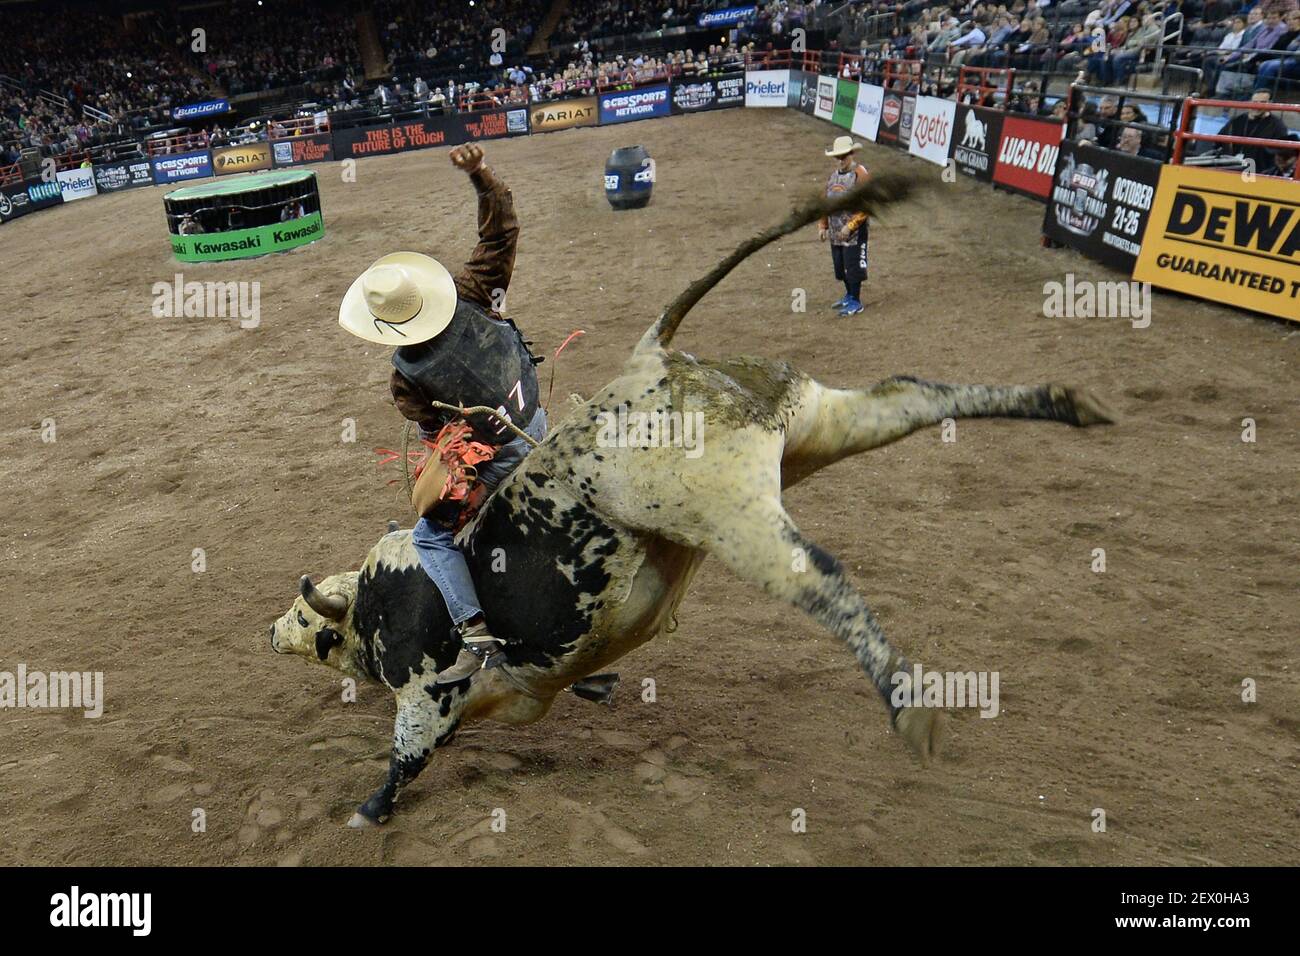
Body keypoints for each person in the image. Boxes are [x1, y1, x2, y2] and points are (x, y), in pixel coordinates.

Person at [338, 143, 545, 682]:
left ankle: (475, 634)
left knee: (431, 537)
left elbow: (445, 442)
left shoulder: (405, 377)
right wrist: (479, 174)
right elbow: (501, 233)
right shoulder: (474, 291)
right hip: (536, 423)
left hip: (497, 459)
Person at [819, 135, 870, 317]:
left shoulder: (860, 174)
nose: (841, 161)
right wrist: (823, 225)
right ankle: (849, 294)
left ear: (851, 154)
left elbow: (866, 206)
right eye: (838, 157)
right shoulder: (832, 178)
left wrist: (850, 226)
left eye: (844, 156)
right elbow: (825, 202)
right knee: (840, 268)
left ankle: (856, 300)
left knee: (853, 266)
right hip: (836, 232)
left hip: (854, 232)